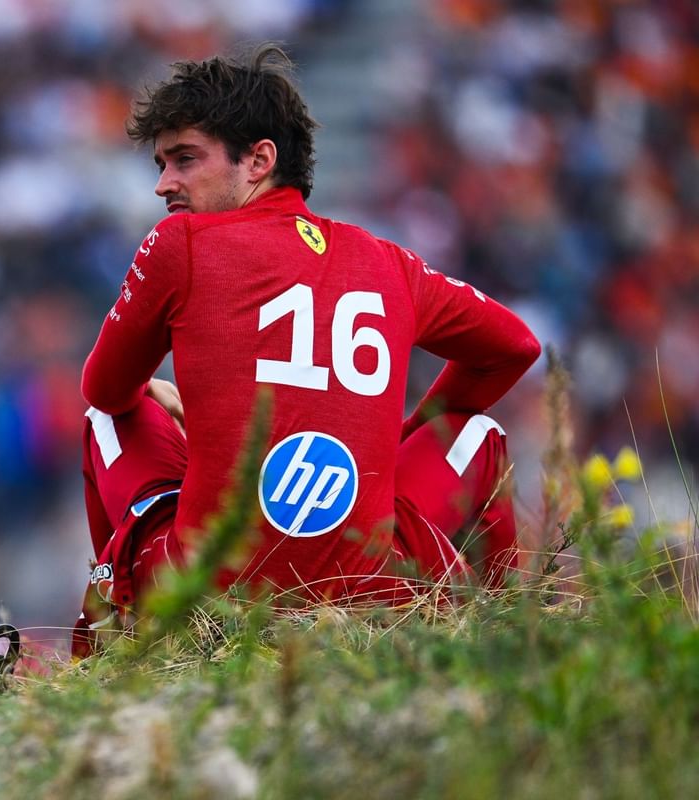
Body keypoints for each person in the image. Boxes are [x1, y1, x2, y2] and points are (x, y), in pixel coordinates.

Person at [75, 44, 541, 649]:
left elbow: (106, 388)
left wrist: (180, 407)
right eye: (162, 164)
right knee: (475, 433)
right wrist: (392, 443)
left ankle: (129, 641)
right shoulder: (388, 263)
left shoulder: (179, 244)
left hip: (211, 591)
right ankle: (512, 642)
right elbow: (516, 347)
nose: (165, 184)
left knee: (110, 415)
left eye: (185, 160)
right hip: (373, 589)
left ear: (258, 160)